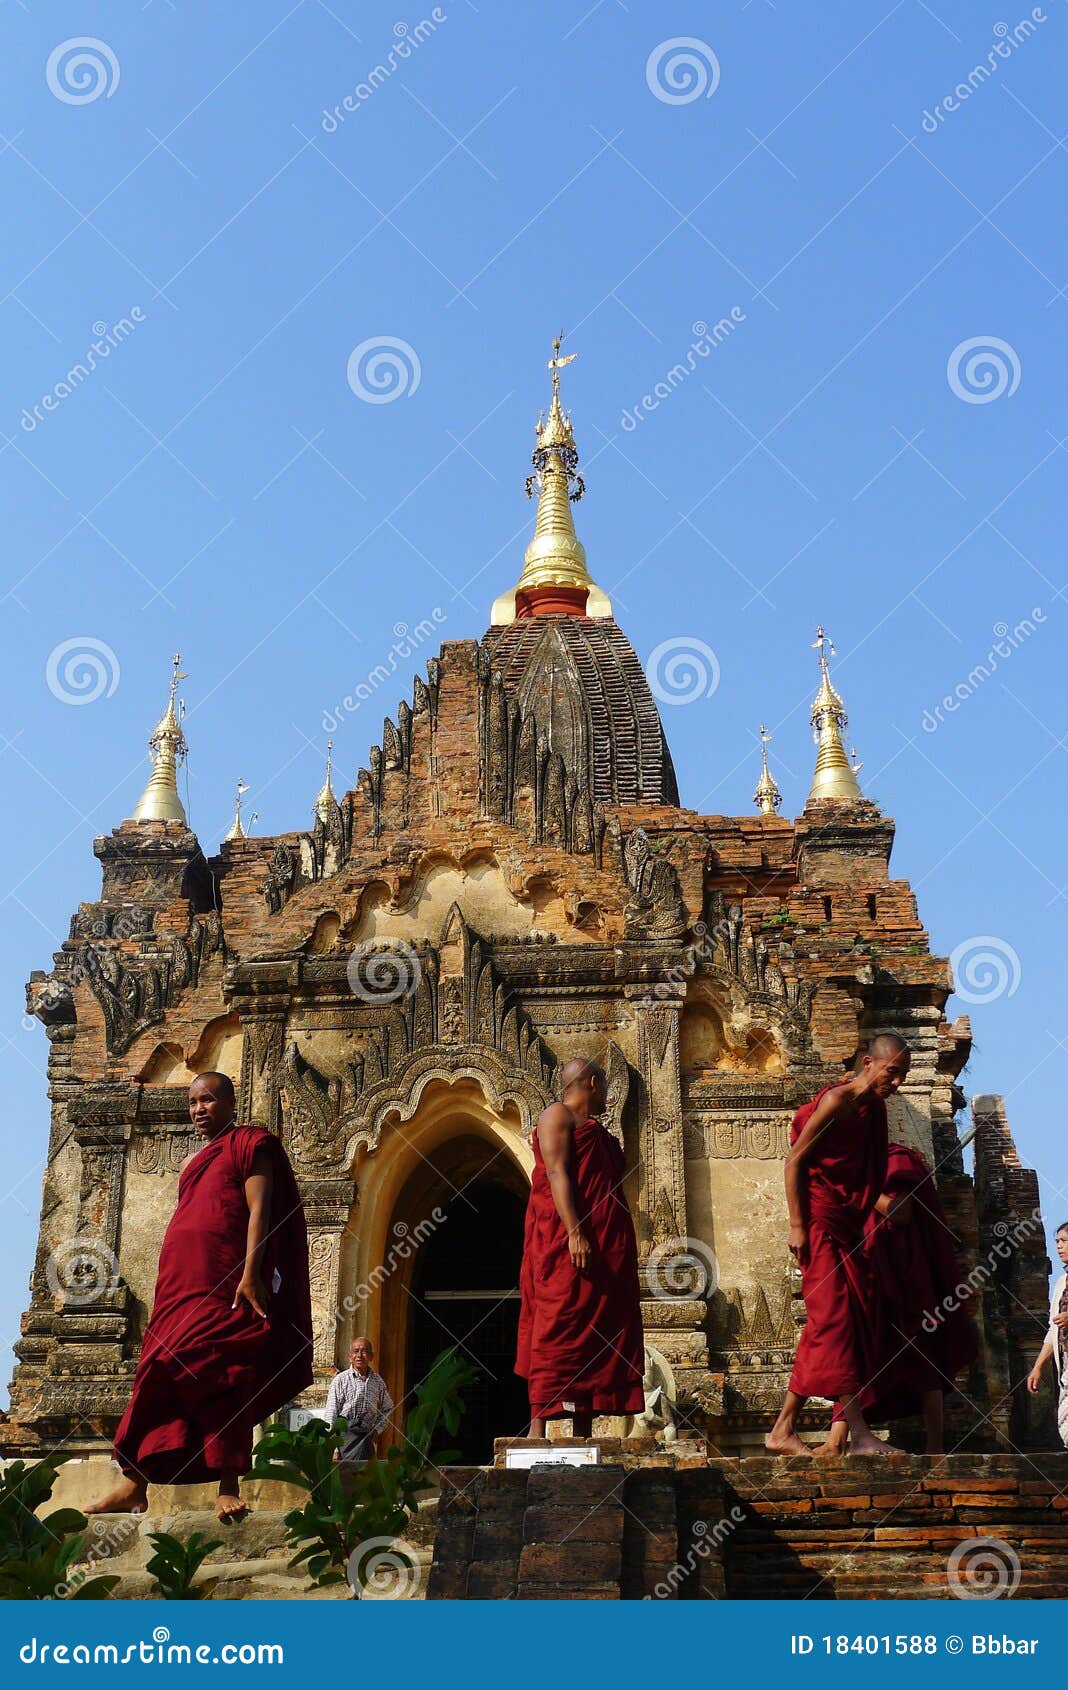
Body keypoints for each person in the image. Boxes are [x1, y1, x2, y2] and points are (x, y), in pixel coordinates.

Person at [86, 1072, 312, 1522]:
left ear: (230, 1103)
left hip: (225, 1282)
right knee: (157, 1368)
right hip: (180, 1284)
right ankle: (135, 1483)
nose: (198, 1109)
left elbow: (260, 1212)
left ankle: (228, 1485)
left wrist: (250, 1275)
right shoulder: (194, 1162)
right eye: (192, 1102)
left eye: (208, 1100)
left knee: (224, 1371)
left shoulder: (250, 1144)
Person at [765, 1034, 911, 1458]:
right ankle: (855, 1434)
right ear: (869, 1062)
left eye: (902, 1074)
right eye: (892, 1072)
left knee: (837, 1322)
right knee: (834, 1322)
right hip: (819, 1224)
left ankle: (788, 1426)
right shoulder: (837, 1102)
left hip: (846, 1226)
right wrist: (797, 1225)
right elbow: (796, 1160)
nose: (897, 1082)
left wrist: (880, 1203)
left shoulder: (874, 1108)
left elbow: (860, 1174)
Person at [819, 1141, 978, 1455]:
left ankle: (935, 1446)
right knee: (854, 1347)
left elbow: (902, 1212)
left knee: (922, 1351)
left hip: (908, 1273)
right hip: (867, 1266)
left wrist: (859, 1184)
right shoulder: (854, 1166)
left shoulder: (895, 1159)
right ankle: (835, 1439)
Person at [516, 1057, 644, 1438]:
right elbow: (557, 1172)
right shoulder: (557, 1115)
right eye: (604, 1087)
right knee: (557, 1324)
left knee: (598, 1332)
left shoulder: (600, 1134)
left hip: (605, 1252)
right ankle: (537, 1430)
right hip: (565, 1244)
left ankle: (582, 1429)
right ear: (592, 1083)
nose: (608, 1096)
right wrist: (575, 1231)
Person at [1028, 1222, 1068, 1446]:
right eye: (1057, 1242)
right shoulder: (1061, 1283)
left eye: (1064, 1241)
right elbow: (1054, 1330)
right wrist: (1038, 1366)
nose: (1059, 1247)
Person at [326, 1336, 394, 1464]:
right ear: (350, 1356)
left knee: (364, 1480)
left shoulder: (378, 1382)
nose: (360, 1355)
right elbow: (331, 1414)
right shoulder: (340, 1380)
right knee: (345, 1481)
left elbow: (388, 1407)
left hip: (366, 1440)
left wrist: (377, 1429)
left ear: (371, 1356)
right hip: (344, 1441)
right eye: (356, 1351)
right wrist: (334, 1448)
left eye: (364, 1351)